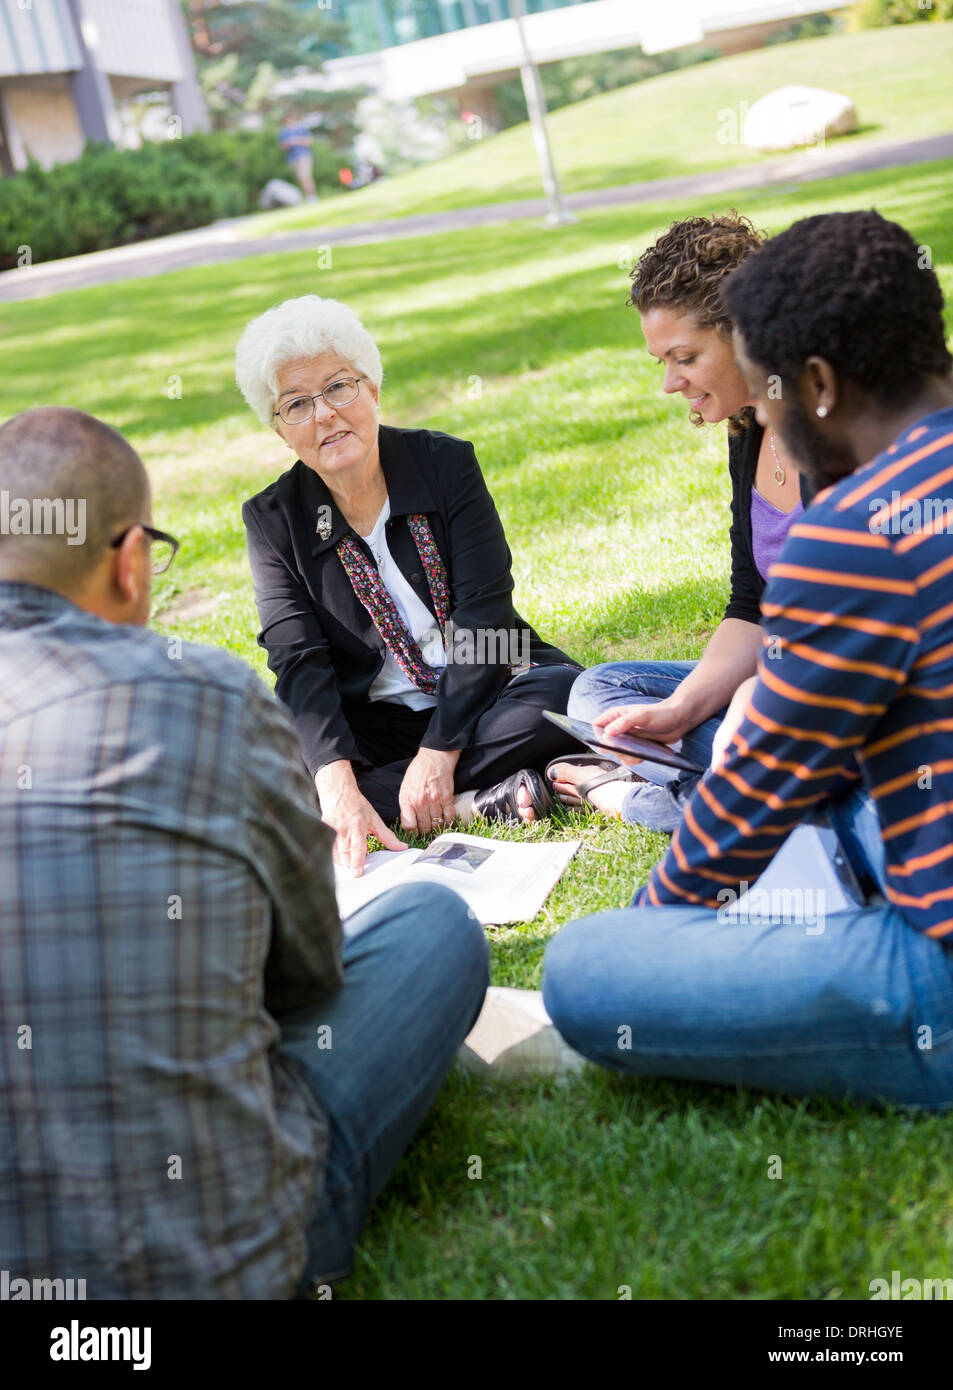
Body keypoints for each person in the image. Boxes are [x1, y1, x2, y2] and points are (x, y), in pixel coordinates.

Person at [0, 406, 489, 1298]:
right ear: (132, 563)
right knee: (432, 922)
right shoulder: (205, 696)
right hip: (225, 1251)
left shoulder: (434, 472)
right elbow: (306, 978)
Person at [543, 210, 953, 1110]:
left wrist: (656, 944)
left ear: (810, 382)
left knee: (584, 969)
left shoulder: (851, 532)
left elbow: (748, 807)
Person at [236, 294, 584, 875]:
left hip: (488, 688)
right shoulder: (272, 521)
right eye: (296, 404)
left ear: (371, 388)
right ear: (280, 430)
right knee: (274, 773)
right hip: (373, 721)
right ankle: (478, 804)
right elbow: (298, 661)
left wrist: (440, 750)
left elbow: (485, 620)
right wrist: (336, 781)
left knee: (559, 697)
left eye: (338, 388)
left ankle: (414, 798)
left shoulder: (444, 464)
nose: (324, 414)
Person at [548, 213, 812, 828]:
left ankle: (649, 798)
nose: (670, 383)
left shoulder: (841, 427)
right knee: (600, 694)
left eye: (685, 356)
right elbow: (752, 604)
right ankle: (745, 781)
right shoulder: (750, 426)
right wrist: (681, 708)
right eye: (662, 360)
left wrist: (761, 697)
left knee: (768, 742)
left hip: (860, 688)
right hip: (785, 675)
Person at [278, 115, 317, 202]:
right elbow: (281, 147)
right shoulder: (283, 132)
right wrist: (289, 143)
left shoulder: (301, 128)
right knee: (300, 178)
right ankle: (307, 197)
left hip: (304, 156)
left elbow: (310, 141)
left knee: (306, 177)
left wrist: (298, 141)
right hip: (292, 158)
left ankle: (312, 197)